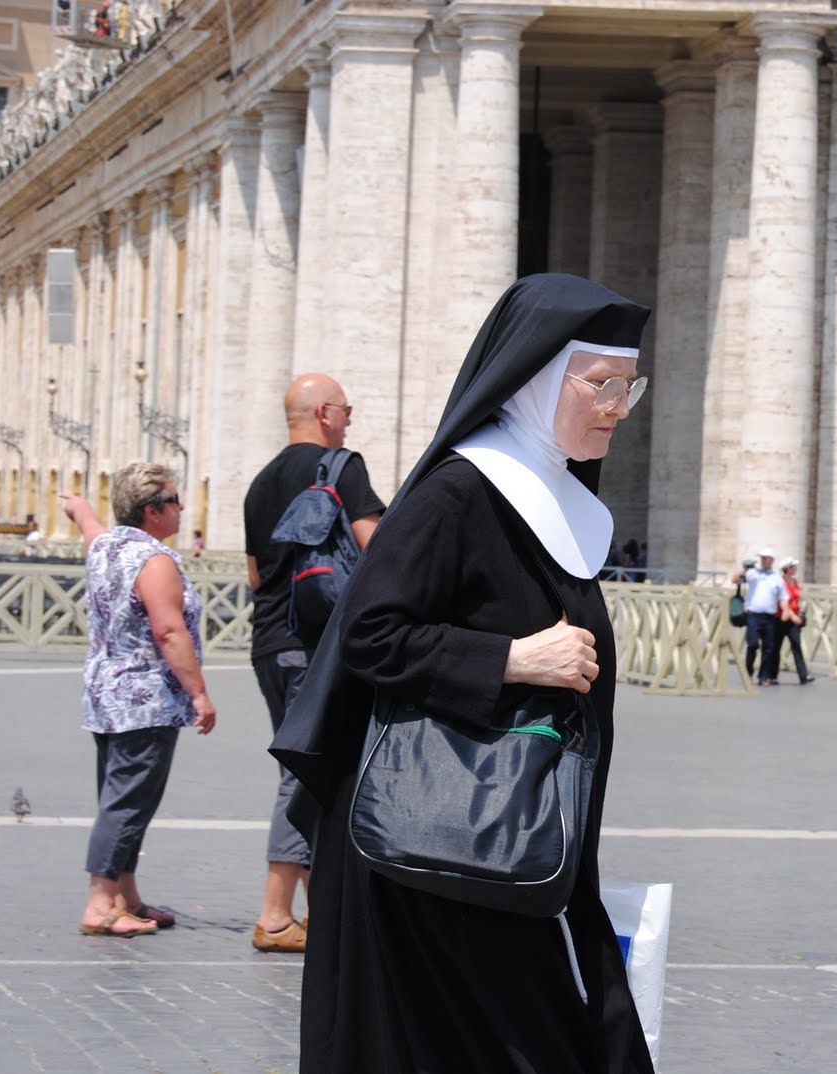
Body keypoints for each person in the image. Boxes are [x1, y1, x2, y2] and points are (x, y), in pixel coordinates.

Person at [271, 274, 655, 1073]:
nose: (619, 406)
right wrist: (510, 659)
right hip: (435, 844)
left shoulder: (550, 492)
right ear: (537, 382)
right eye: (604, 385)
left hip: (510, 832)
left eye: (630, 386)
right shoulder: (458, 493)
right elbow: (370, 633)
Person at [243, 373, 385, 953]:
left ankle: (316, 908)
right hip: (316, 644)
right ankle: (276, 914)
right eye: (346, 409)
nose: (349, 420)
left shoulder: (259, 482)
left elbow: (255, 574)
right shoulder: (341, 467)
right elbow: (376, 544)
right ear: (325, 412)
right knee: (306, 771)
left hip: (269, 643)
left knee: (306, 766)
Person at [62, 464, 217, 937]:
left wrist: (80, 508)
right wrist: (199, 693)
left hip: (106, 695)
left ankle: (126, 895)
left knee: (123, 797)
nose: (181, 508)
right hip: (145, 698)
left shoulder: (106, 546)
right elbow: (167, 630)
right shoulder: (154, 561)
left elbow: (90, 527)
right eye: (174, 500)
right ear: (152, 512)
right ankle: (100, 902)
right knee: (128, 803)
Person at [736, 548, 785, 685]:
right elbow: (735, 580)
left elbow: (783, 597)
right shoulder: (753, 574)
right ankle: (748, 671)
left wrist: (786, 610)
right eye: (762, 558)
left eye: (766, 558)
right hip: (753, 615)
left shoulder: (777, 578)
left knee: (768, 648)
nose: (764, 560)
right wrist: (745, 569)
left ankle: (764, 676)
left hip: (769, 617)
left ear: (772, 560)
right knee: (752, 644)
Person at [775, 556, 814, 685]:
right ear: (788, 569)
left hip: (794, 619)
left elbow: (796, 598)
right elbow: (782, 601)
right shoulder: (780, 582)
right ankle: (773, 675)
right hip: (782, 617)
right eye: (794, 567)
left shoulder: (795, 581)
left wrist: (799, 613)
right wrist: (793, 615)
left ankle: (803, 675)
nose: (796, 569)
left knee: (797, 646)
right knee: (776, 647)